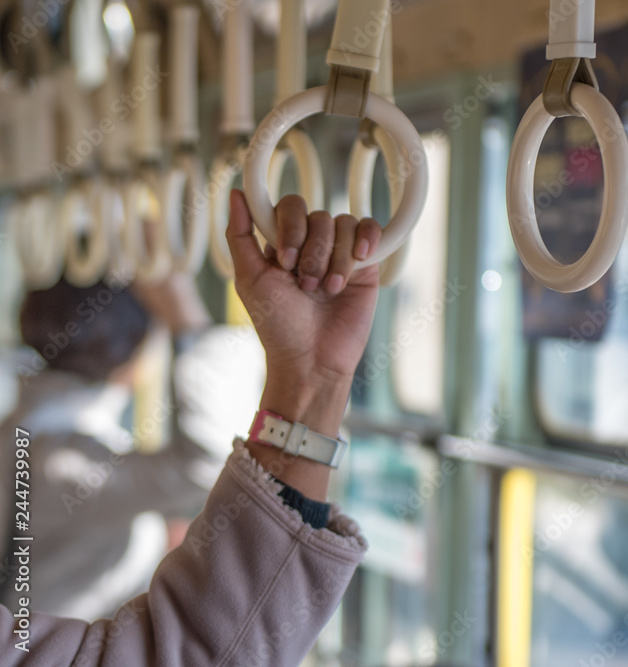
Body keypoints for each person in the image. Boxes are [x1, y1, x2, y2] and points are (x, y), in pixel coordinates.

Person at [0, 191, 383, 665]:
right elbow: (205, 461)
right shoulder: (57, 463)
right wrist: (188, 320)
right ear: (133, 357)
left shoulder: (25, 436)